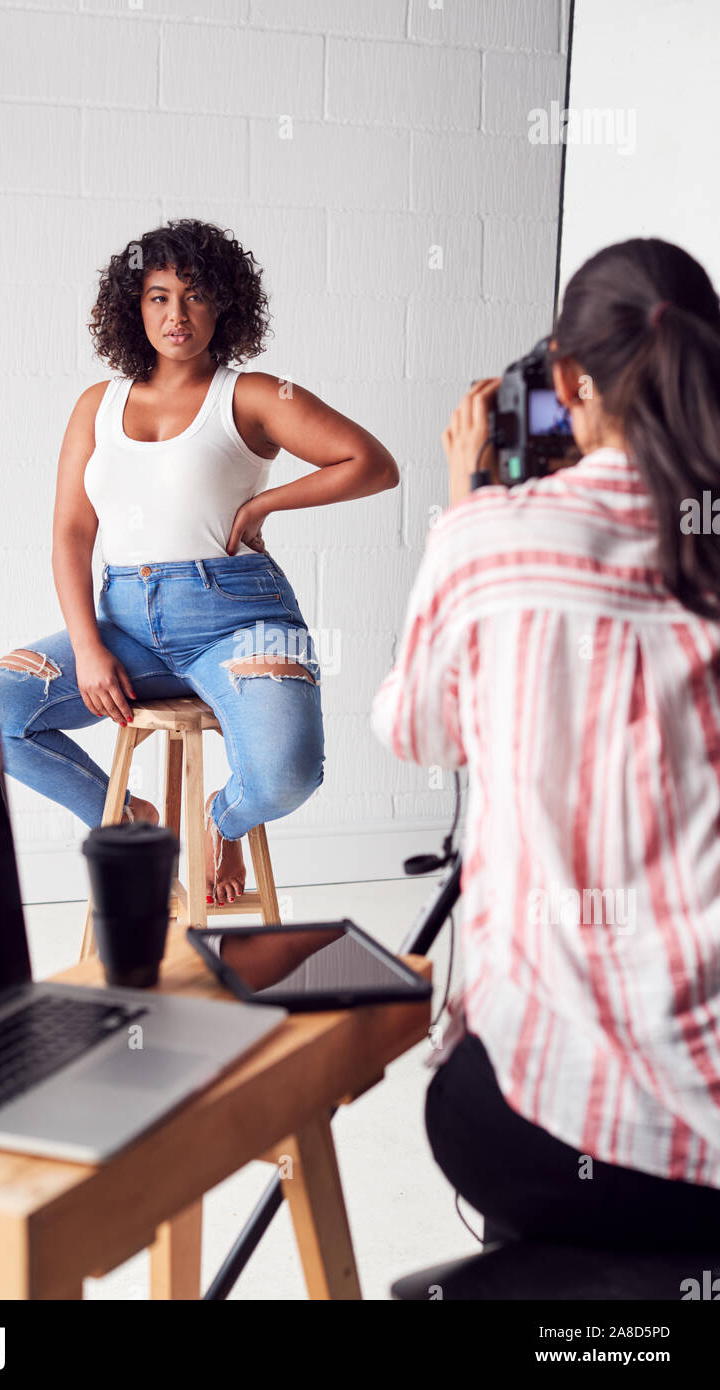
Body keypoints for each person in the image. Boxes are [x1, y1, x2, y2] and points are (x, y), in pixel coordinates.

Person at [371, 237, 720, 1250]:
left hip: (540, 1128)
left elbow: (414, 727)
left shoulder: (488, 536)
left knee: (484, 1101)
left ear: (567, 381)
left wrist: (464, 506)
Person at [0, 219, 398, 906]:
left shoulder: (250, 395)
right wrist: (85, 645)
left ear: (223, 305)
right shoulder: (95, 407)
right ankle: (134, 819)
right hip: (126, 626)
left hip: (240, 618)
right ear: (133, 308)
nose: (176, 315)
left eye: (194, 297)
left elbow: (373, 464)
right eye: (159, 296)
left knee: (289, 774)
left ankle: (224, 819)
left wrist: (262, 507)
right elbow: (72, 534)